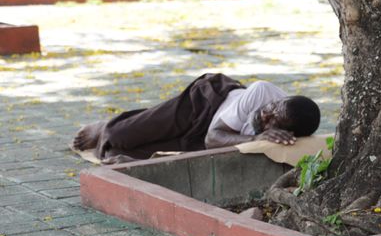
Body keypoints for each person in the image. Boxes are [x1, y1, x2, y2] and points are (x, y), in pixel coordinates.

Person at [71, 74, 320, 163]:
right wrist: (259, 135)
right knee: (120, 135)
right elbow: (215, 137)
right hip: (204, 104)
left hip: (210, 135)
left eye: (272, 121)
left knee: (136, 154)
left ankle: (113, 147)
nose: (266, 114)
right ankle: (105, 126)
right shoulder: (262, 90)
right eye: (272, 107)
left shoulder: (288, 134)